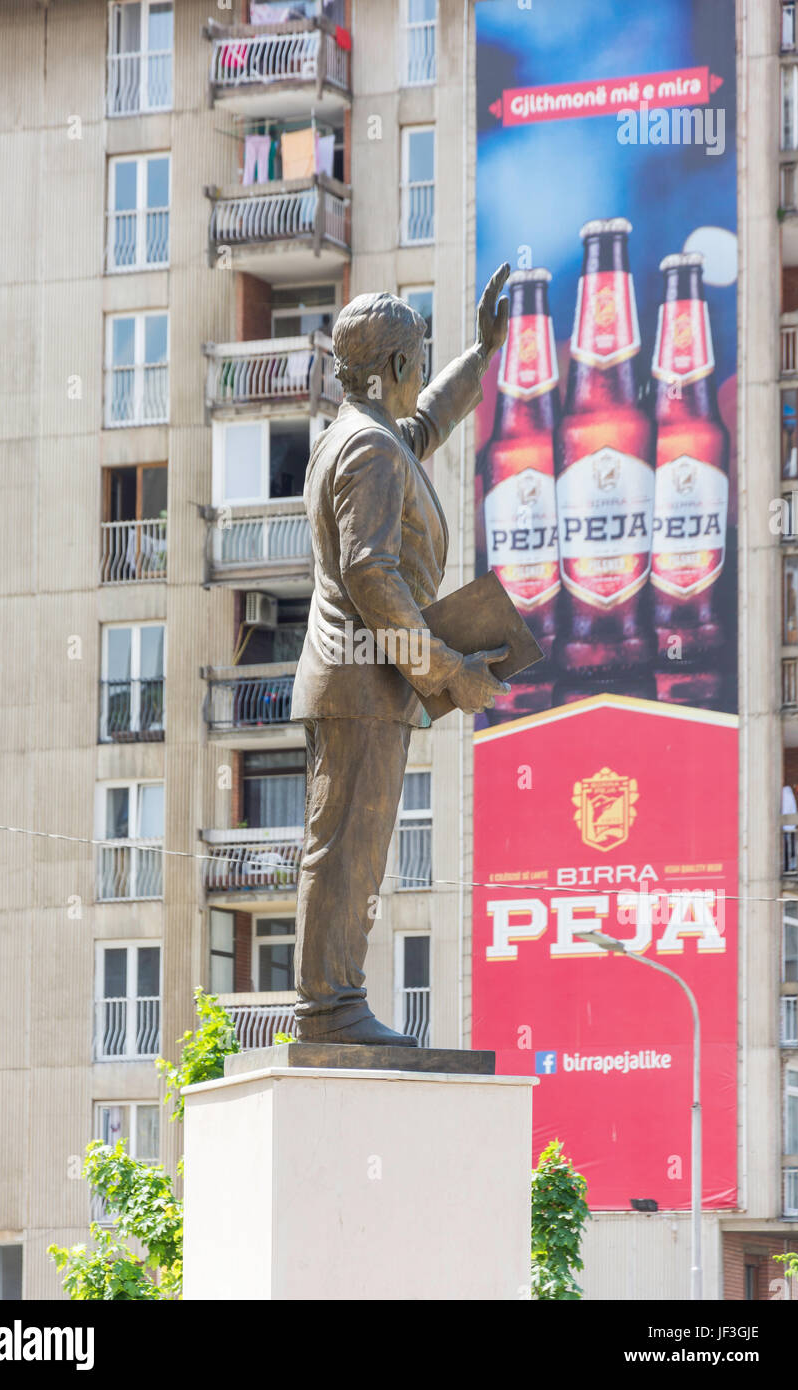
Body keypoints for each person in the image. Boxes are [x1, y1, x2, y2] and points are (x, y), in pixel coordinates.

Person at [289, 264, 512, 1045]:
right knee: (347, 849)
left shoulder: (365, 435)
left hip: (357, 682)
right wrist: (448, 670)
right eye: (418, 360)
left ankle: (334, 1000)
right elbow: (368, 572)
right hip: (360, 681)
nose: (421, 374)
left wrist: (480, 357)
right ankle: (331, 1007)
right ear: (392, 369)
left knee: (351, 845)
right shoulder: (368, 452)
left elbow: (423, 427)